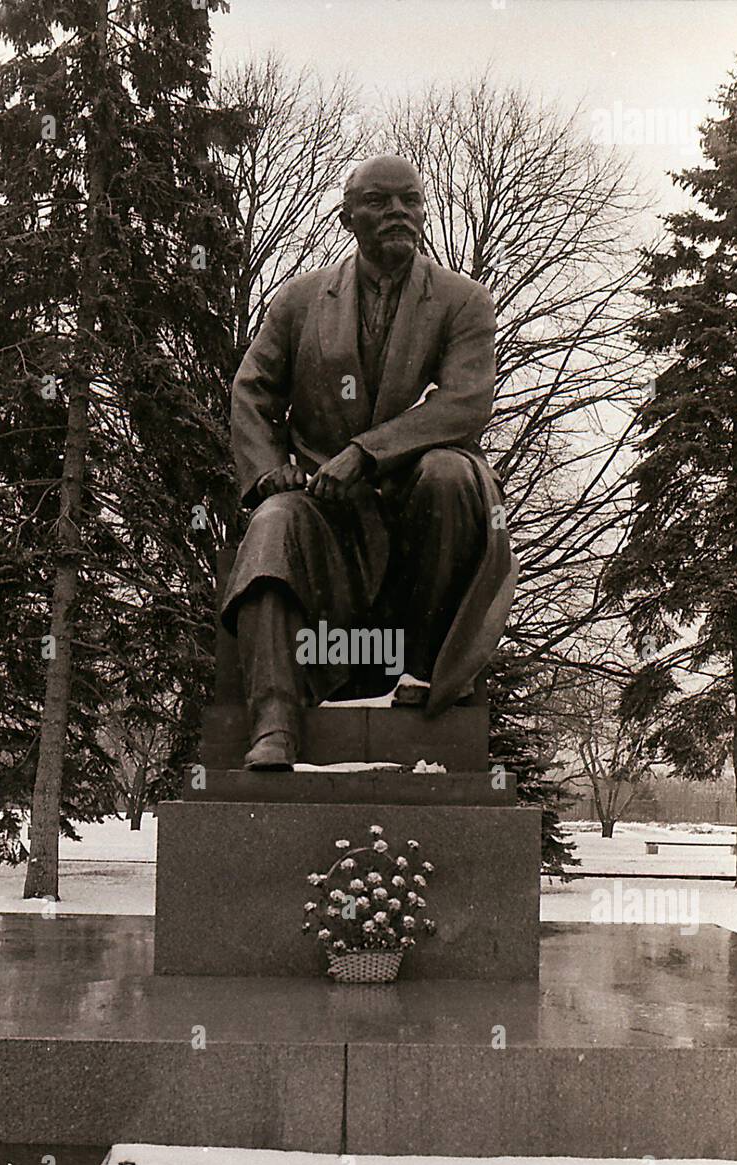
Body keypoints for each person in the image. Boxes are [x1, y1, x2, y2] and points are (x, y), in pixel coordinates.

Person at [222, 154, 517, 769]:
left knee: (450, 473)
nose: (398, 214)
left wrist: (367, 453)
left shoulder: (463, 301)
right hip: (324, 509)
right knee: (272, 522)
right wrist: (270, 470)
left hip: (417, 505)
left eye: (410, 200)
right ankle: (274, 723)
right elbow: (252, 392)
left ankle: (425, 674)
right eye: (380, 202)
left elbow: (465, 404)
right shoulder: (299, 301)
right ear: (346, 217)